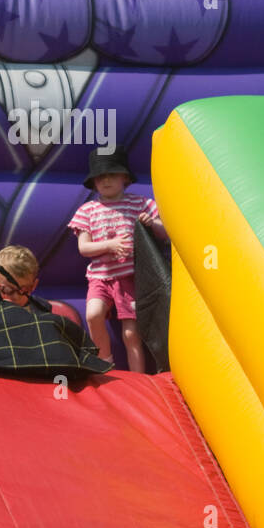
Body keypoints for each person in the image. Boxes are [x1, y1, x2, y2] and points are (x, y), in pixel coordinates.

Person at [67, 146, 167, 373]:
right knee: (93, 314)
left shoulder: (139, 204)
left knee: (132, 333)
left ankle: (138, 377)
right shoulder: (88, 210)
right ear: (93, 182)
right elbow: (84, 247)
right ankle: (104, 363)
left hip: (131, 278)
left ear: (125, 178)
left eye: (112, 174)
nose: (106, 180)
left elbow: (165, 233)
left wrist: (152, 224)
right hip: (100, 278)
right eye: (100, 177)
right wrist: (110, 245)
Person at [0, 245, 112, 376]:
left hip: (27, 369)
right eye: (6, 290)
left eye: (22, 290)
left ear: (33, 286)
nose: (13, 296)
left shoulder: (38, 309)